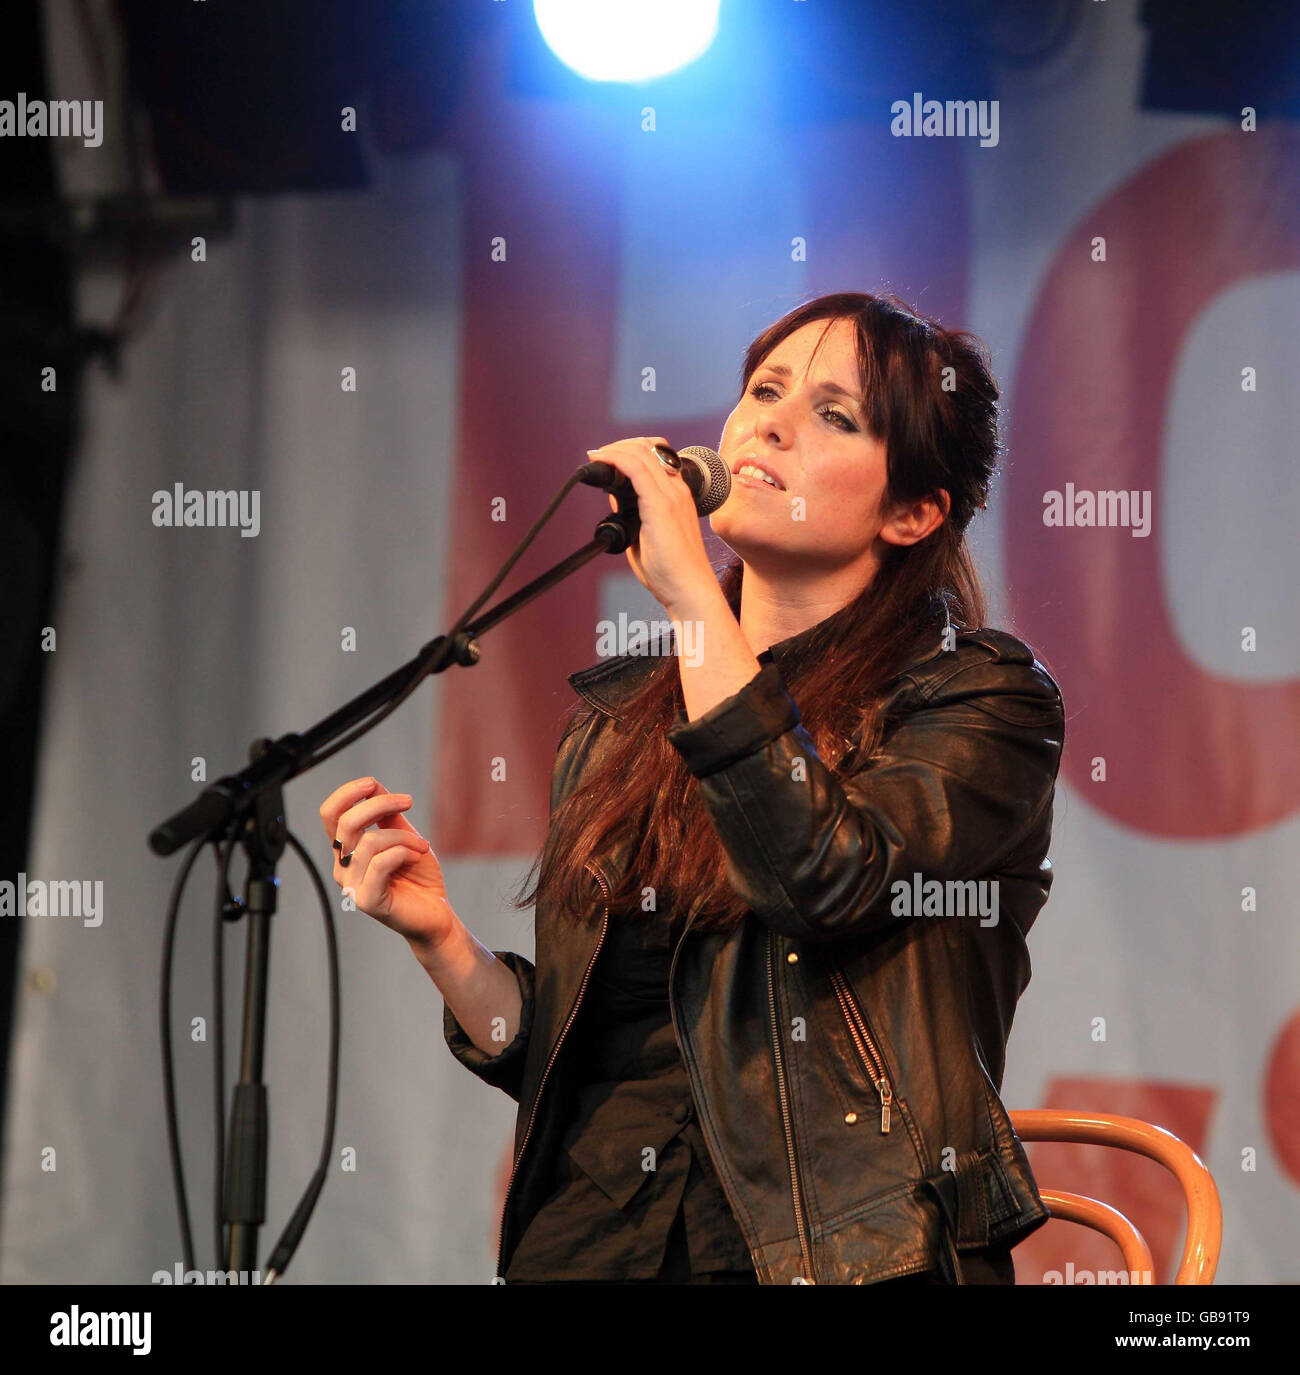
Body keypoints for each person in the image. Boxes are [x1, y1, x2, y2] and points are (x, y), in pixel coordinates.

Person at [319, 291, 1066, 1285]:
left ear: (912, 511)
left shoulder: (981, 699)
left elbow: (820, 876)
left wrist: (684, 599)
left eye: (834, 415)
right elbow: (578, 1066)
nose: (771, 421)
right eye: (764, 389)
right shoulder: (621, 724)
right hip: (596, 1242)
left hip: (844, 1255)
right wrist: (446, 947)